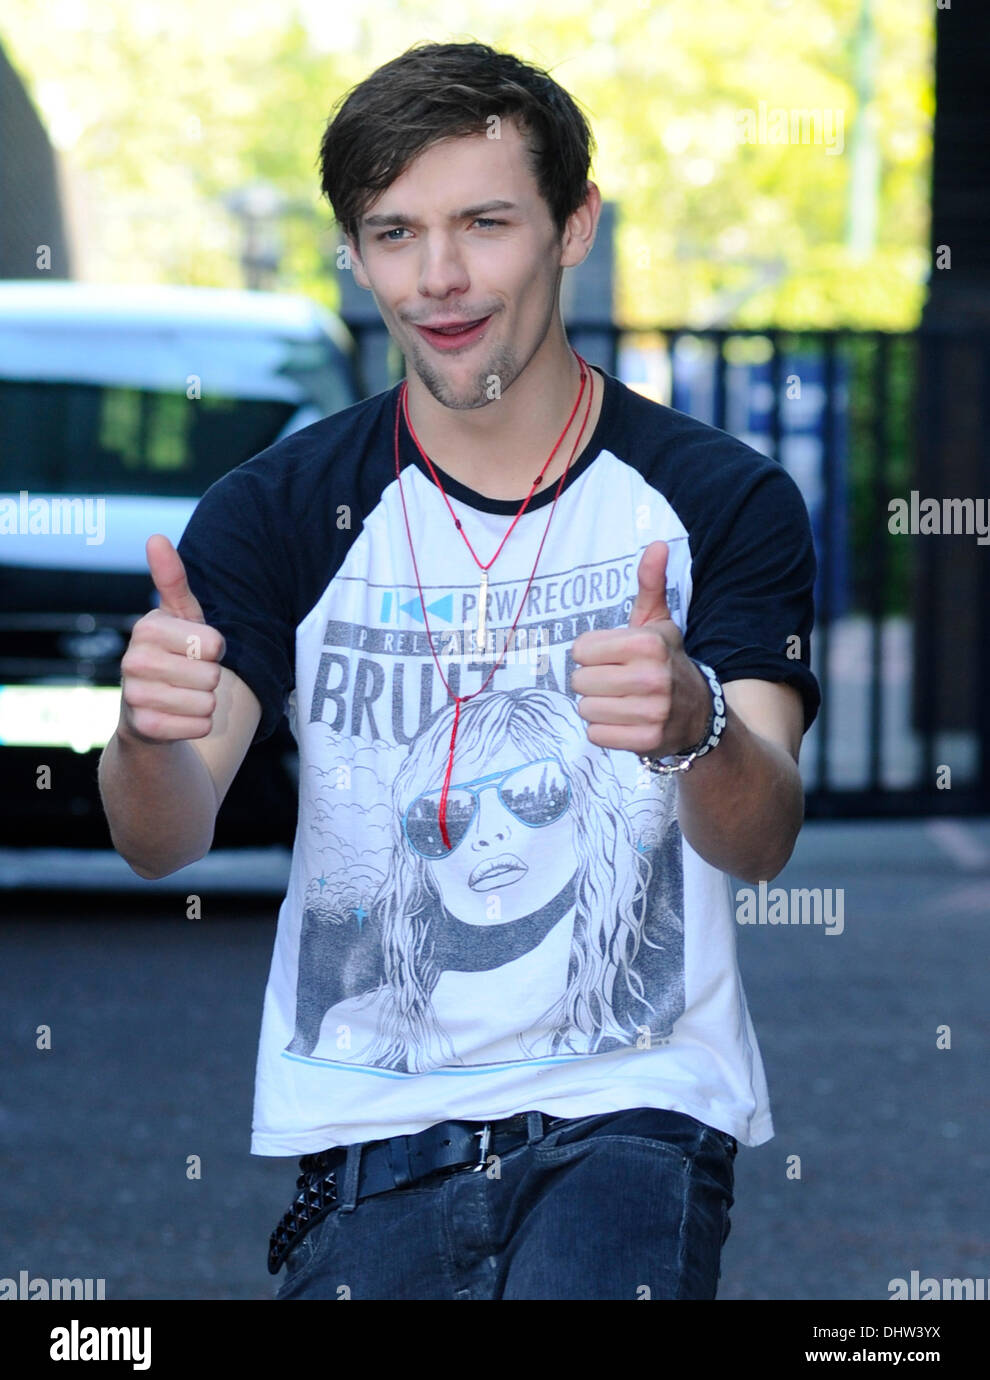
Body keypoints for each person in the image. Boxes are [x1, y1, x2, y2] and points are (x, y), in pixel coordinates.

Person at [98, 40, 820, 1301]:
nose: (438, 278)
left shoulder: (718, 500)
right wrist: (145, 738)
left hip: (631, 1113)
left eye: (485, 223)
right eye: (393, 233)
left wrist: (695, 723)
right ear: (356, 250)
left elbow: (761, 843)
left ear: (571, 226)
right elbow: (161, 841)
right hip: (365, 1135)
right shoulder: (276, 511)